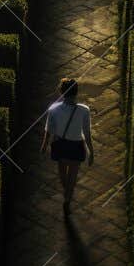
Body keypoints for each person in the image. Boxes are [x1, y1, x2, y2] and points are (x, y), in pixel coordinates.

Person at [40, 77, 94, 212]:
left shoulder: (53, 109)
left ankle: (67, 193)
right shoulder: (84, 110)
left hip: (61, 145)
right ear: (76, 93)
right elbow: (87, 133)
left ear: (61, 92)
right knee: (73, 175)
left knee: (63, 175)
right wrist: (91, 152)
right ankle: (68, 196)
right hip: (77, 146)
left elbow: (49, 130)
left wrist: (44, 146)